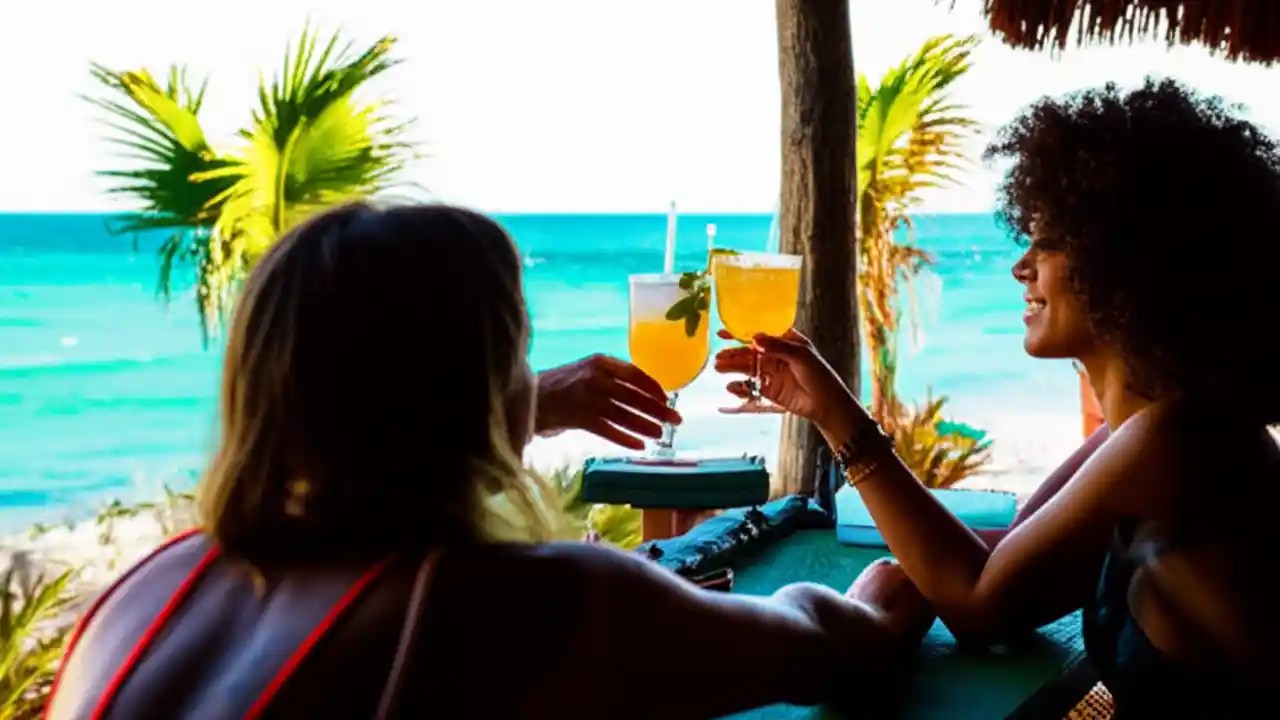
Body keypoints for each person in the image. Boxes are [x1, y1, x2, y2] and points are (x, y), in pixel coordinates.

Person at [44, 202, 934, 720]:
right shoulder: (507, 601)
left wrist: (522, 407)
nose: (528, 373)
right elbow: (829, 645)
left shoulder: (150, 586)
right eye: (519, 347)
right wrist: (880, 592)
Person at [716, 77, 1280, 716]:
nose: (1022, 267)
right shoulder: (1160, 430)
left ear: (1129, 258)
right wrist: (826, 404)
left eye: (1049, 242)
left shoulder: (1174, 441)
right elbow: (1010, 557)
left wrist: (838, 417)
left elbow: (980, 603)